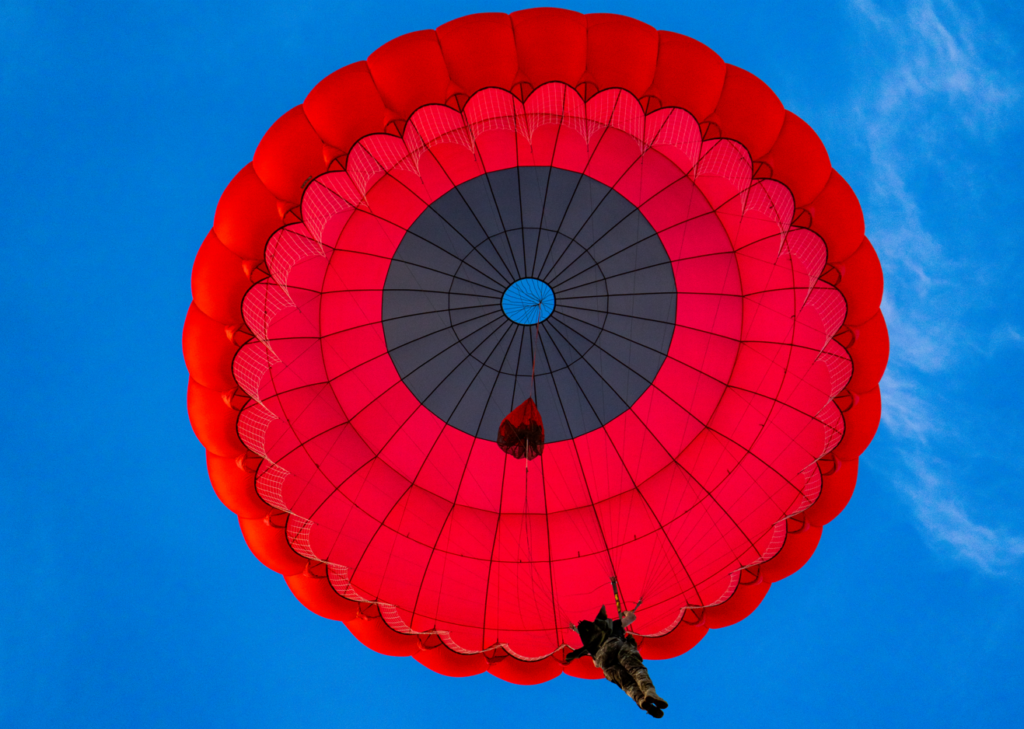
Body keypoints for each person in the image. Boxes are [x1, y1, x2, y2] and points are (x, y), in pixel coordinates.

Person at [565, 588, 669, 719]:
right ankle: (649, 691)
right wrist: (625, 612)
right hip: (615, 644)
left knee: (627, 684)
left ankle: (641, 701)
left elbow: (596, 664)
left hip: (604, 661)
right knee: (636, 670)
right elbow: (632, 617)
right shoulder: (614, 626)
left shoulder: (589, 644)